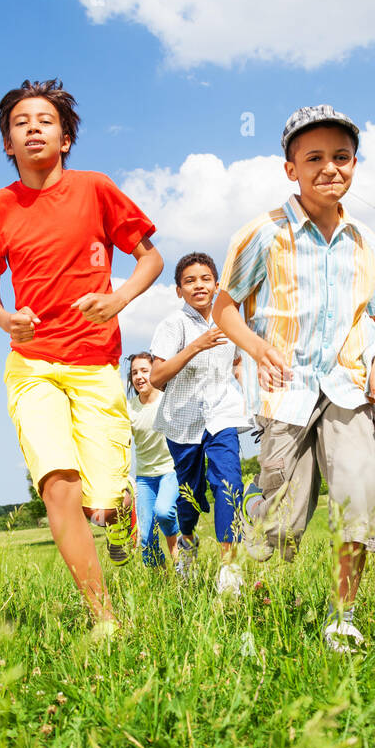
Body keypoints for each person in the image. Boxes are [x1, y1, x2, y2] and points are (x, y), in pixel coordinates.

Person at [0, 78, 163, 636]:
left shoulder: (96, 190)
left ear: (66, 137)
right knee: (59, 484)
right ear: (8, 142)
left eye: (45, 120)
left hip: (95, 364)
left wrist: (118, 297)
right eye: (20, 123)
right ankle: (103, 618)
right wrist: (8, 319)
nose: (32, 128)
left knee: (104, 501)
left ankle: (121, 516)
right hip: (32, 365)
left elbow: (149, 259)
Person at [214, 105, 375, 652]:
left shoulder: (367, 241)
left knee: (359, 494)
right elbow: (224, 306)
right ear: (290, 167)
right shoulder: (262, 234)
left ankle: (344, 614)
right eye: (313, 157)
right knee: (283, 517)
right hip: (285, 389)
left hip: (347, 385)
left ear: (355, 164)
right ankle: (242, 569)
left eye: (340, 157)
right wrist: (254, 345)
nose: (329, 168)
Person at [148, 252, 247, 594]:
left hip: (222, 414)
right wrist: (195, 347)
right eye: (189, 281)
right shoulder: (172, 325)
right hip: (183, 422)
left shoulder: (230, 320)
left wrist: (253, 403)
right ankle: (187, 544)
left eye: (205, 278)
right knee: (189, 497)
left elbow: (237, 364)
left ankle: (229, 568)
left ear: (217, 284)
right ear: (179, 290)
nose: (198, 285)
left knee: (229, 484)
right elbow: (157, 376)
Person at [125, 352, 179, 568]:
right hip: (145, 478)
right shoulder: (129, 407)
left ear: (155, 372)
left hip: (170, 471)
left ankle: (179, 552)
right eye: (134, 373)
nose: (139, 377)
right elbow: (122, 441)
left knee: (164, 511)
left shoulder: (169, 400)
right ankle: (161, 584)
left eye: (144, 371)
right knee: (146, 539)